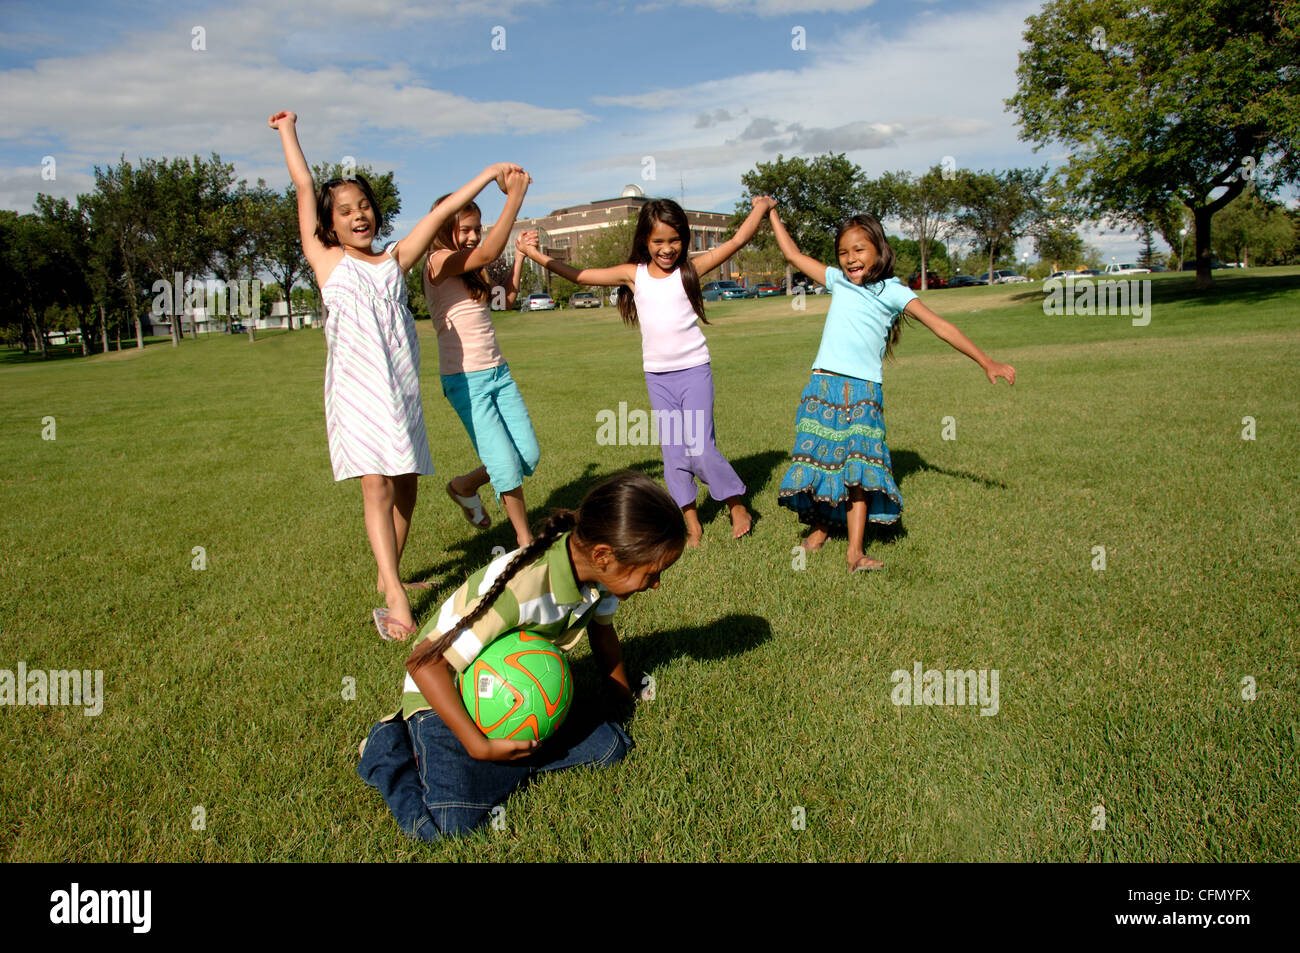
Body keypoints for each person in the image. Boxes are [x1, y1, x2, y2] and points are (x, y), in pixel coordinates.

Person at [269, 109, 522, 639]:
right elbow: (302, 183)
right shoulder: (325, 261)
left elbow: (448, 208)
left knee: (407, 486)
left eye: (364, 206)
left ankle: (393, 576)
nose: (358, 215)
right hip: (356, 395)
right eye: (345, 210)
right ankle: (393, 591)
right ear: (329, 222)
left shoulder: (395, 260)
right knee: (377, 487)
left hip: (400, 390)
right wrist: (290, 131)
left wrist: (490, 171)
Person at [356, 471, 685, 841]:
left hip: (518, 699)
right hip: (443, 694)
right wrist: (479, 747)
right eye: (652, 573)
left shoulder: (600, 578)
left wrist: (622, 699)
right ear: (604, 555)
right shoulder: (522, 587)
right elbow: (423, 663)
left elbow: (603, 633)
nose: (656, 584)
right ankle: (388, 746)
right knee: (450, 824)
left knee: (611, 746)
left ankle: (506, 761)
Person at [516, 196, 776, 547]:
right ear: (644, 241)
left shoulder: (690, 270)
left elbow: (736, 241)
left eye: (675, 240)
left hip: (694, 370)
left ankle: (735, 504)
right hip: (658, 378)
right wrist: (534, 255)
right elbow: (578, 273)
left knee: (700, 447)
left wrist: (760, 208)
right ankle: (692, 524)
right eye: (658, 242)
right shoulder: (633, 275)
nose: (667, 249)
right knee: (674, 452)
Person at [767, 206, 1016, 572]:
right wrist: (770, 212)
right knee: (821, 461)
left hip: (863, 392)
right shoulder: (838, 281)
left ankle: (855, 553)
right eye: (843, 252)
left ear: (878, 250)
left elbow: (940, 325)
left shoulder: (894, 291)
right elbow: (792, 255)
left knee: (857, 470)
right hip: (824, 386)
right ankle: (820, 528)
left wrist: (986, 361)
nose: (850, 259)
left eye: (859, 250)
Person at [423, 173, 538, 548]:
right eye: (466, 229)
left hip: (498, 374)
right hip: (465, 380)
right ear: (443, 229)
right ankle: (524, 541)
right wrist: (514, 198)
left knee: (527, 455)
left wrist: (519, 255)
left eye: (477, 229)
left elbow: (506, 297)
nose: (473, 236)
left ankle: (464, 485)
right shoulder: (437, 261)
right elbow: (488, 251)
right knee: (505, 466)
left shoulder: (471, 268)